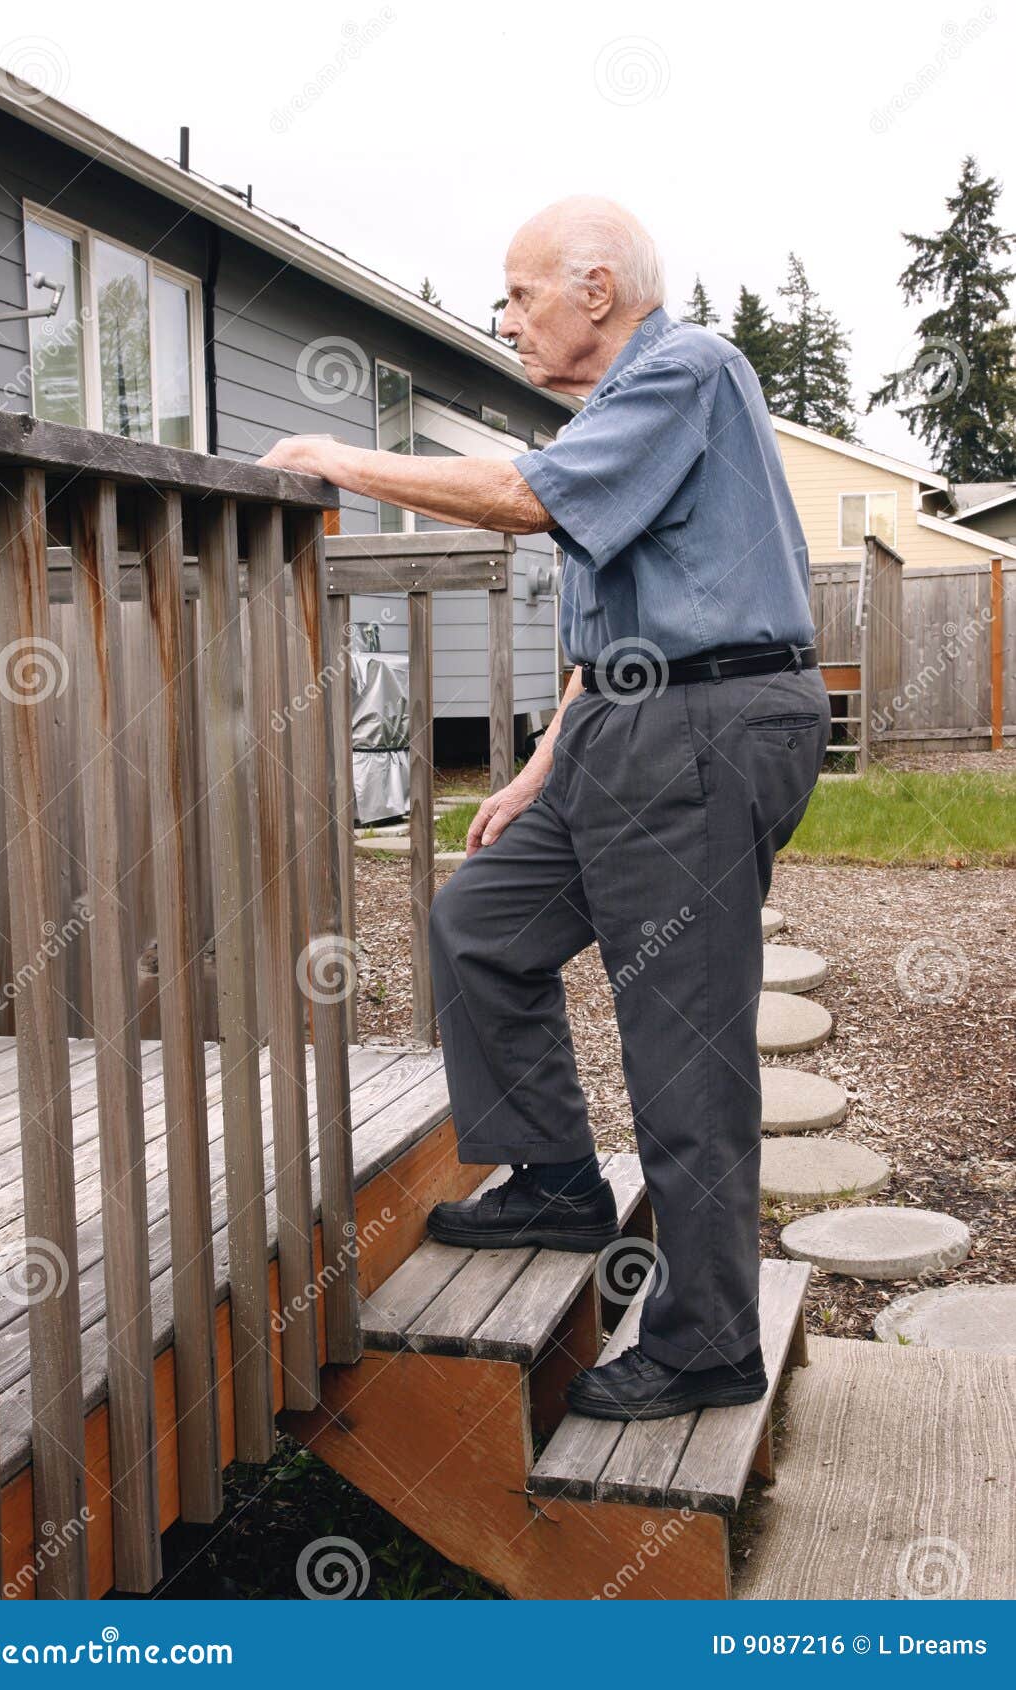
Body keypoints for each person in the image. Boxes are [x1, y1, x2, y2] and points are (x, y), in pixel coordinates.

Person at [259, 195, 830, 1421]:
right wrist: (536, 766)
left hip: (701, 728)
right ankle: (559, 1176)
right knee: (481, 926)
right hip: (629, 723)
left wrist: (333, 458)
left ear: (595, 289)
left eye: (517, 295)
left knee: (679, 1037)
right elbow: (620, 622)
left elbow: (528, 500)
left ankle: (708, 1337)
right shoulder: (627, 406)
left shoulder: (684, 369)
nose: (505, 318)